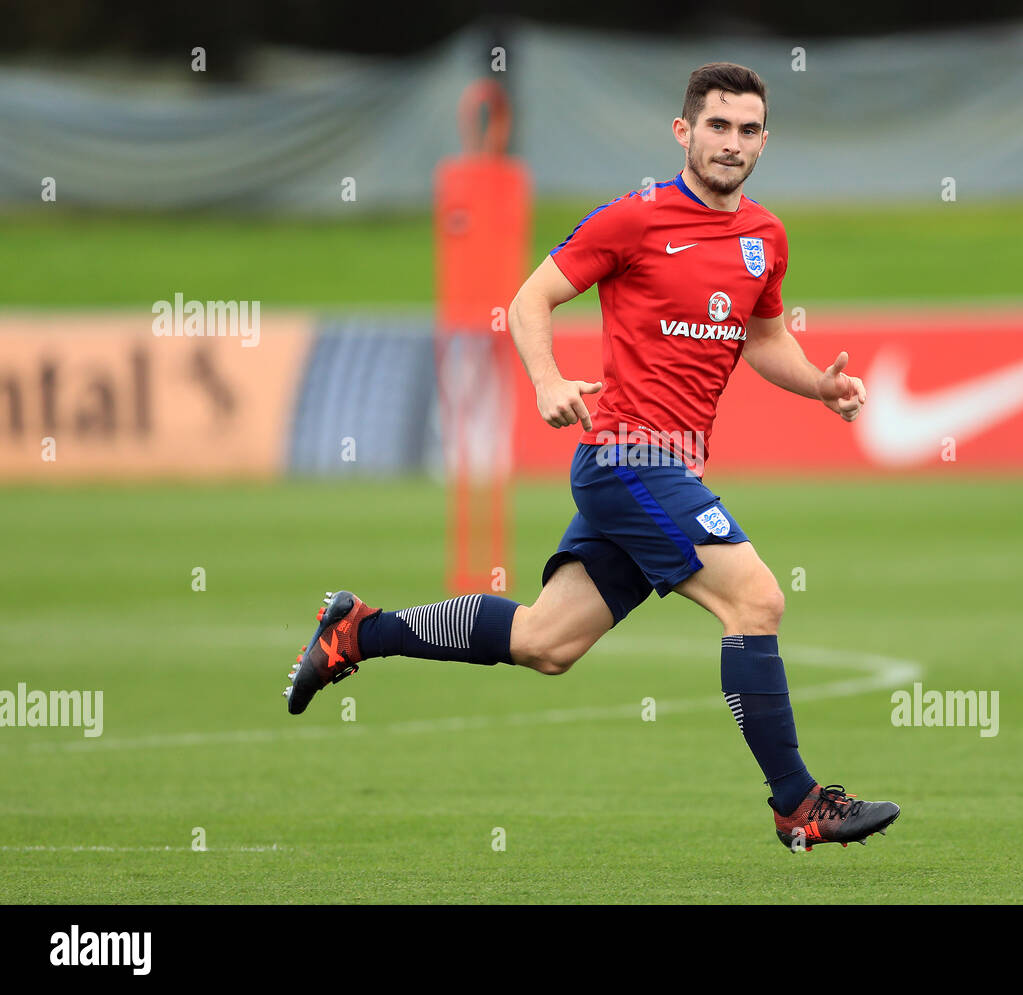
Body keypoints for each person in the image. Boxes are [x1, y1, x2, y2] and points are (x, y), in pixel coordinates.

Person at [283, 62, 900, 852]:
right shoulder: (633, 220)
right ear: (683, 131)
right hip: (628, 458)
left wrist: (818, 384)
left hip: (669, 470)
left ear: (764, 140)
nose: (732, 143)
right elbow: (528, 297)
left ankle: (357, 632)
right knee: (757, 601)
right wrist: (544, 380)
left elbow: (765, 337)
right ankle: (799, 804)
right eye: (717, 126)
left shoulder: (765, 239)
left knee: (547, 642)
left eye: (748, 130)